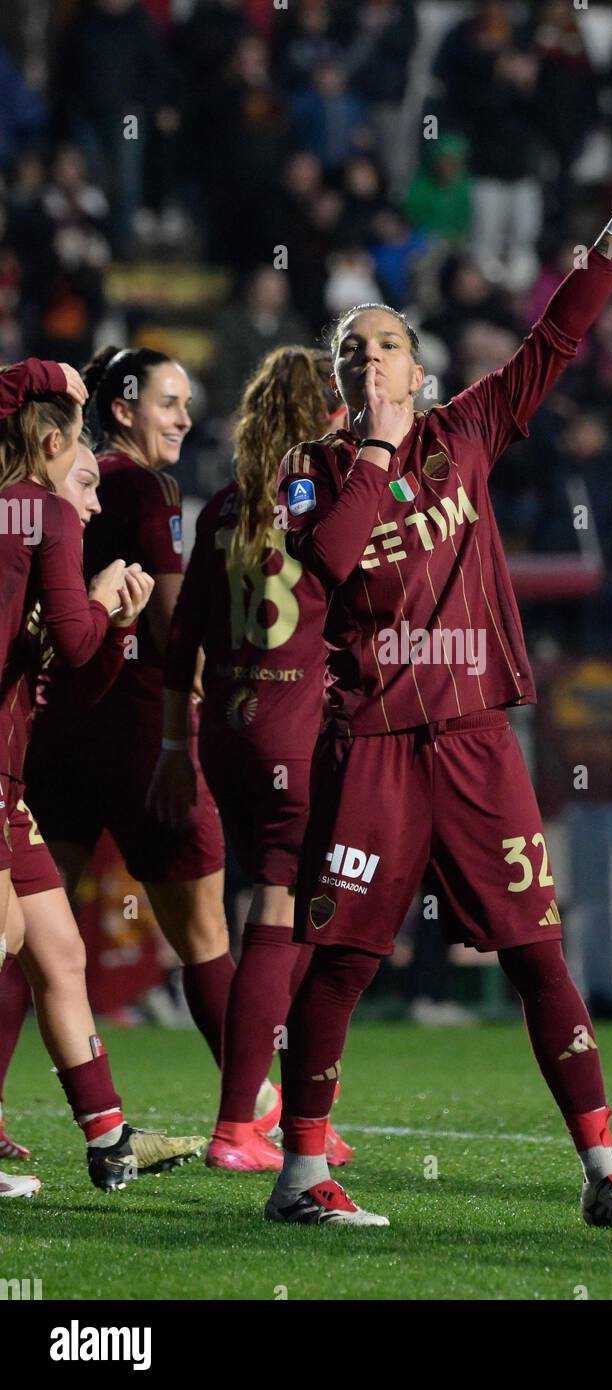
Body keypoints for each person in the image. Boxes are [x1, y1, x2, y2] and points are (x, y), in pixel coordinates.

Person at [265, 116, 612, 1229]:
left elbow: (558, 337)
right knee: (344, 961)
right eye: (350, 353)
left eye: (383, 347)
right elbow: (336, 557)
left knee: (539, 954)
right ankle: (300, 1174)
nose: (367, 363)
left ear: (419, 361)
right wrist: (367, 444)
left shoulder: (468, 430)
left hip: (474, 741)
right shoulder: (308, 477)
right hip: (372, 750)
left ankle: (603, 1169)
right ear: (339, 380)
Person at [21, 348, 283, 1131]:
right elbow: (174, 623)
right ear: (125, 408)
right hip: (142, 738)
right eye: (169, 402)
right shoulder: (146, 488)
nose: (185, 417)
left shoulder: (68, 483)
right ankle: (253, 1111)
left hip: (56, 731)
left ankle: (6, 1117)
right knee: (204, 939)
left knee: (26, 932)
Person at [148, 346, 352, 1171]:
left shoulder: (225, 506)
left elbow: (182, 638)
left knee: (292, 913)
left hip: (226, 732)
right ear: (321, 417)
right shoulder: (325, 505)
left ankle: (297, 1113)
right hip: (291, 733)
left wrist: (173, 744)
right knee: (287, 916)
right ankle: (240, 1126)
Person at [0, 372, 205, 1190]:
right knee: (6, 938)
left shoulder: (20, 521)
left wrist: (105, 617)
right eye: (85, 480)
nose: (90, 505)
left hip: (10, 782)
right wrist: (106, 607)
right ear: (52, 444)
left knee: (57, 949)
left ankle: (110, 1139)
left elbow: (69, 684)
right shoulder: (39, 512)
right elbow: (82, 652)